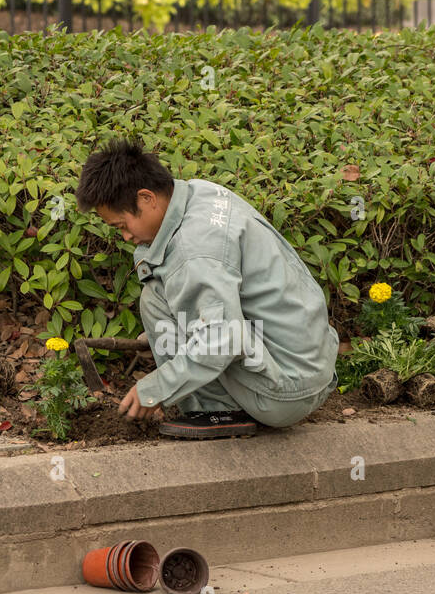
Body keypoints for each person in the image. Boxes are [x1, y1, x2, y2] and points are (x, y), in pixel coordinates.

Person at [75, 139, 339, 440]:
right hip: (313, 368)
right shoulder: (200, 193)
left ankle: (215, 410)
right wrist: (170, 334)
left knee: (155, 300)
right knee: (165, 295)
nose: (124, 236)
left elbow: (223, 338)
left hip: (284, 394)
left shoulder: (194, 252)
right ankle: (217, 398)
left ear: (147, 197)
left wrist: (156, 387)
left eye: (122, 225)